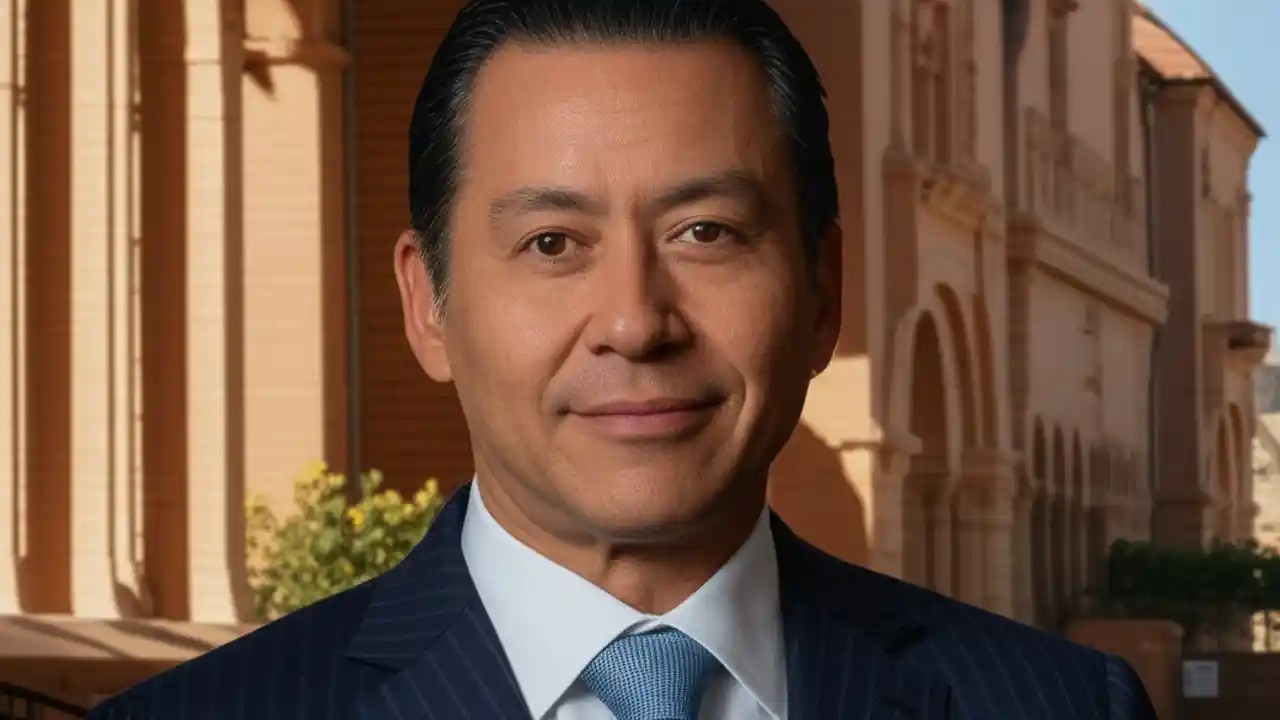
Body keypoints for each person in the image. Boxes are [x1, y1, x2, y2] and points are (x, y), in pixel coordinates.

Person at [89, 0, 1157, 718]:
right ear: (427, 306)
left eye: (706, 234)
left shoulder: (1062, 706)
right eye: (552, 245)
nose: (635, 322)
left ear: (824, 293)